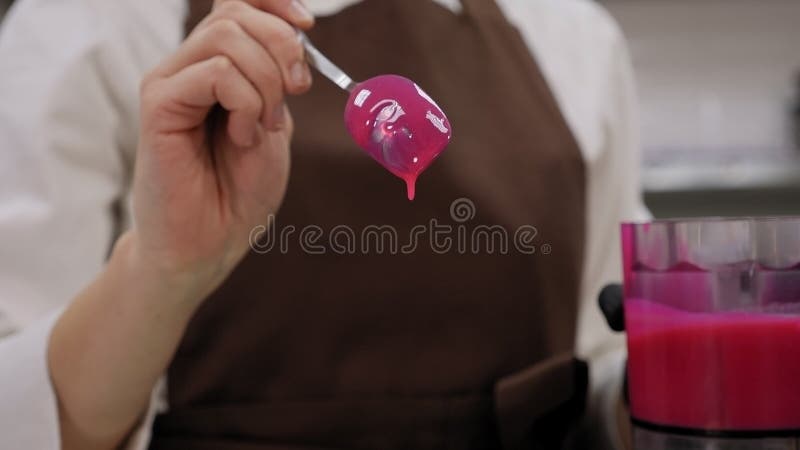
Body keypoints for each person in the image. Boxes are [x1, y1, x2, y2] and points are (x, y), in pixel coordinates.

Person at [0, 0, 649, 449]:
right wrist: (162, 271)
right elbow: (18, 417)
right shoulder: (89, 23)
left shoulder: (572, 36)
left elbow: (598, 372)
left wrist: (667, 394)